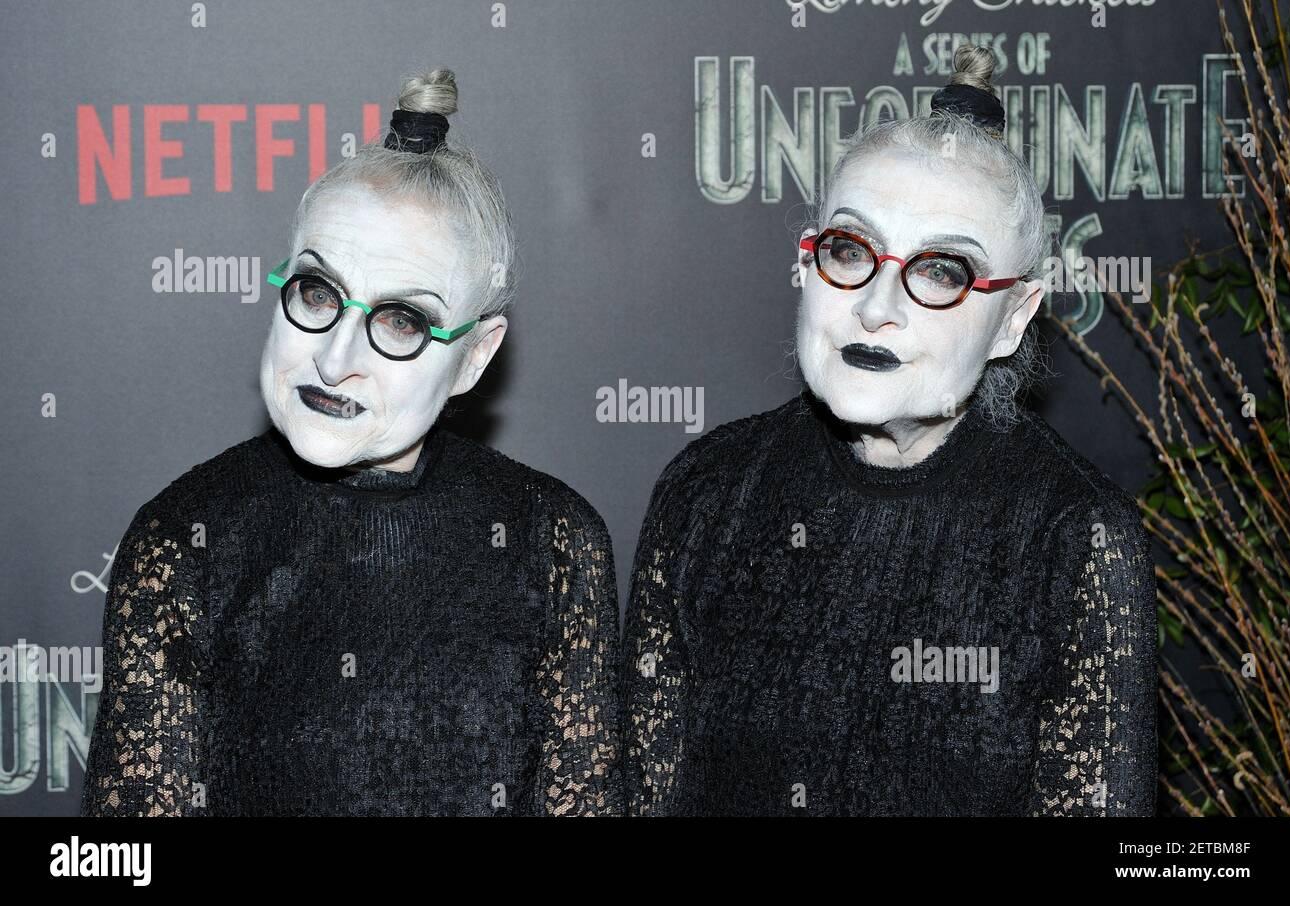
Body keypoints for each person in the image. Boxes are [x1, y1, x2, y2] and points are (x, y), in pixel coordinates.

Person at [620, 44, 1157, 816]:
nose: (876, 308)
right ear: (806, 267)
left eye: (942, 272)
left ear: (1012, 320)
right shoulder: (706, 492)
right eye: (850, 250)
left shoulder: (1074, 539)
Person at [81, 67, 622, 816]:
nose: (334, 359)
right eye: (317, 292)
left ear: (474, 355)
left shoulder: (552, 541)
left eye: (400, 322)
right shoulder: (186, 540)